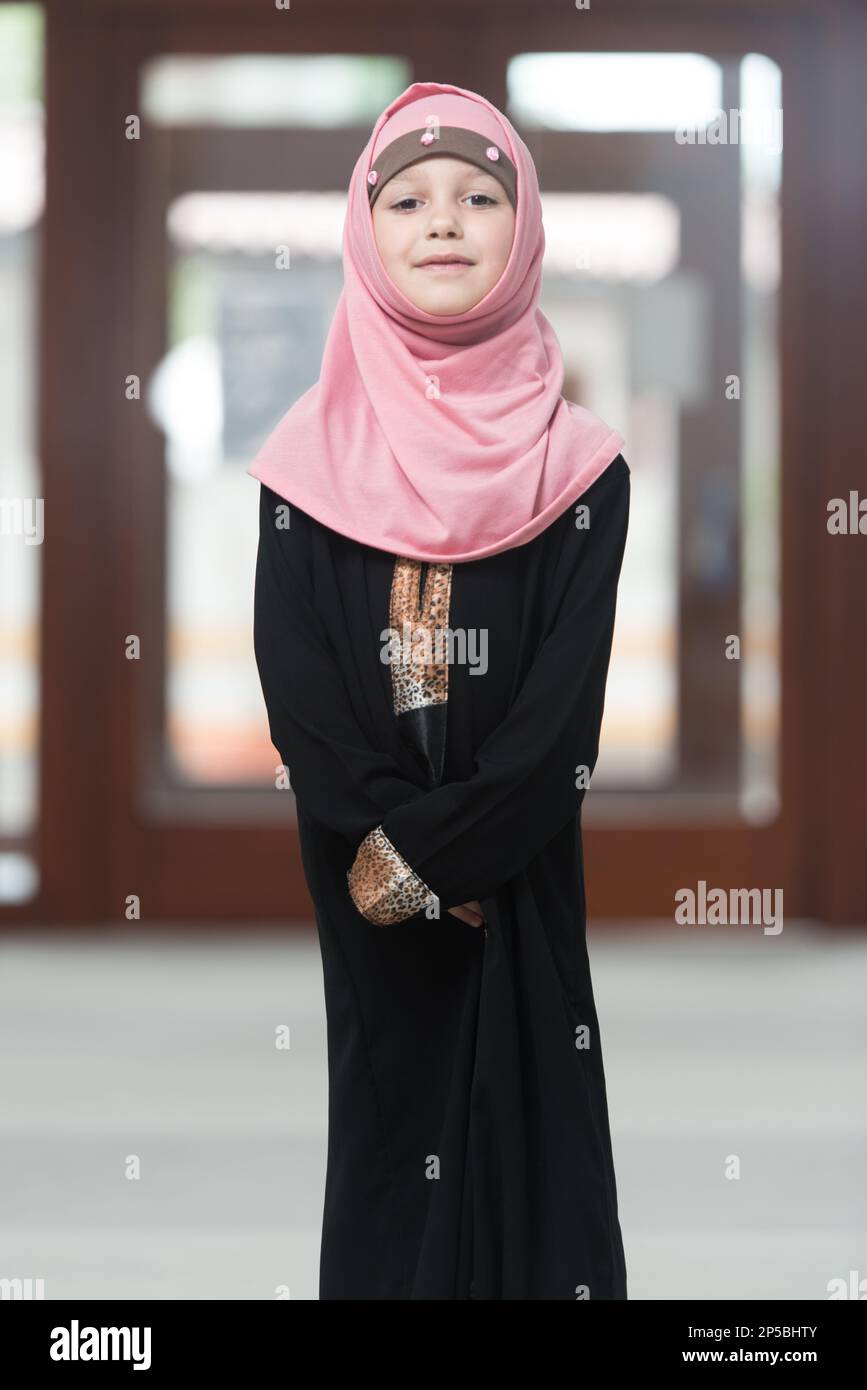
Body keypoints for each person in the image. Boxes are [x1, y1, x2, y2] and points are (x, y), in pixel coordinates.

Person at [250, 81, 630, 1300]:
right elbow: (303, 697)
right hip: (362, 880)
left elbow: (558, 724)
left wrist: (447, 859)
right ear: (367, 234)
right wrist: (391, 863)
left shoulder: (581, 469)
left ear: (524, 231)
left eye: (479, 195)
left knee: (531, 1140)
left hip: (516, 879)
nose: (444, 222)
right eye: (407, 200)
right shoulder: (302, 469)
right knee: (390, 1139)